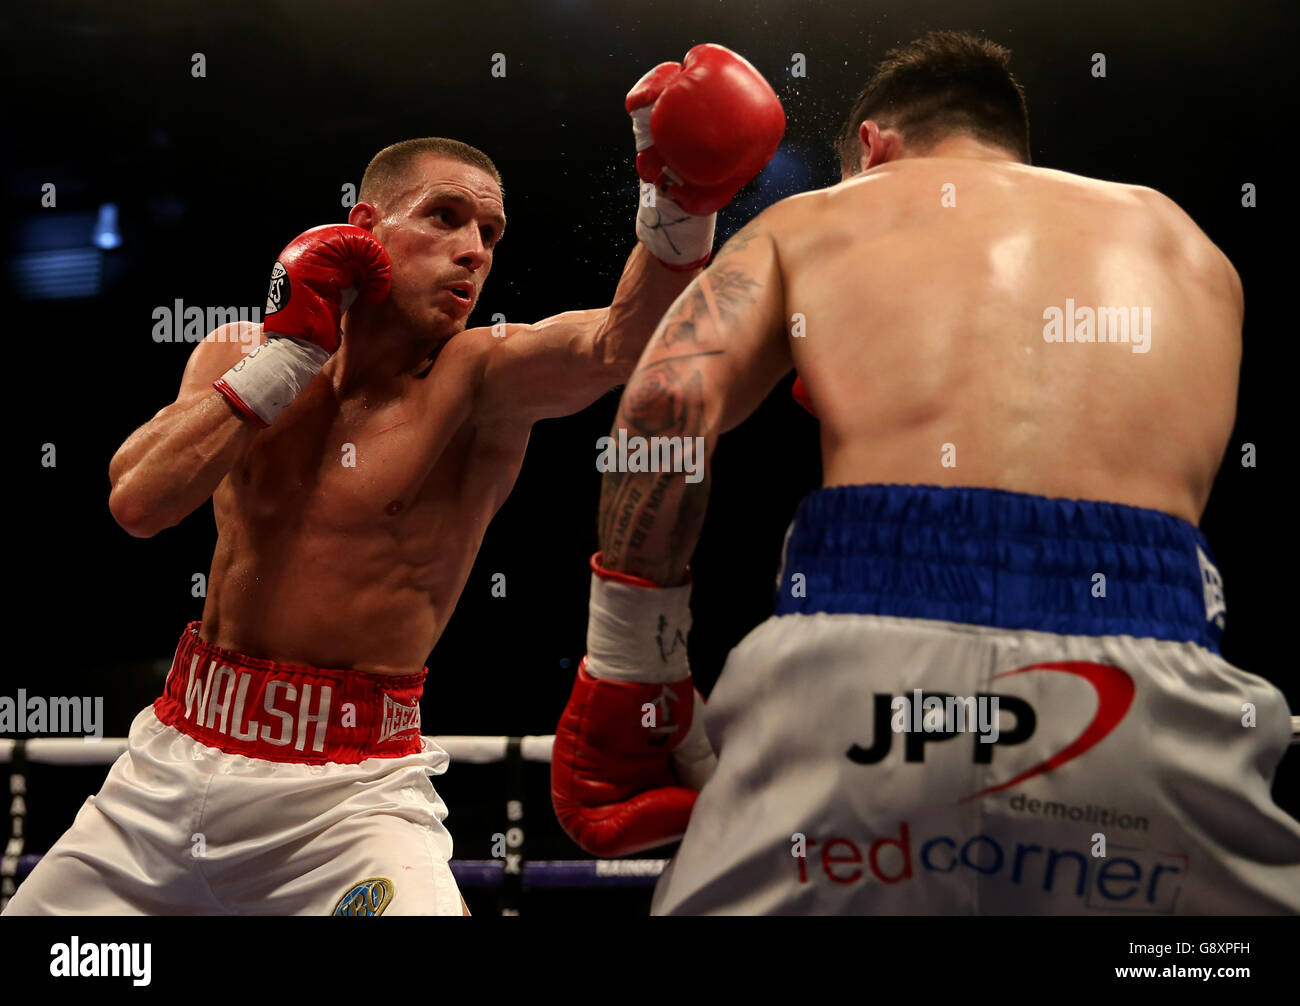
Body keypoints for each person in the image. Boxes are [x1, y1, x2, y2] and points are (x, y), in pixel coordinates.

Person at [4, 45, 784, 916]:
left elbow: (625, 344)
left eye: (489, 235)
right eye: (445, 218)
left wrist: (675, 199)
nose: (472, 252)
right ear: (365, 227)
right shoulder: (239, 352)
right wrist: (292, 354)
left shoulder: (481, 380)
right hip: (167, 770)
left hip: (349, 803)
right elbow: (139, 505)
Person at [551, 30, 1300, 914]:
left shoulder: (821, 218)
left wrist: (632, 658)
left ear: (871, 146)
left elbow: (661, 409)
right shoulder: (1187, 246)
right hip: (1150, 666)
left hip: (870, 652)